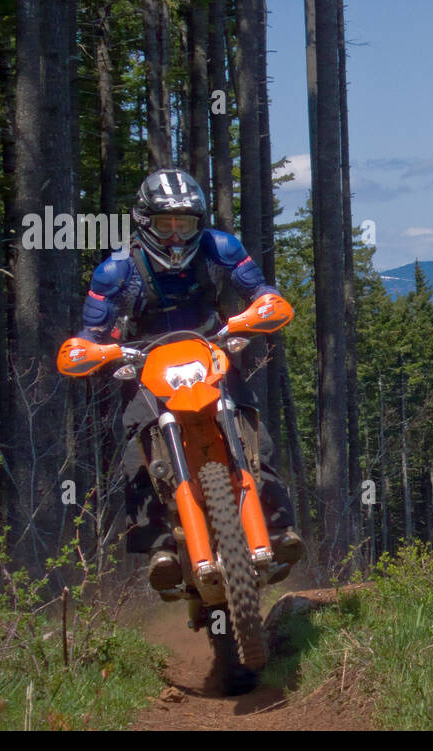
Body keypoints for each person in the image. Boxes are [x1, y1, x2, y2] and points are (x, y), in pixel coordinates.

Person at [75, 168, 302, 590]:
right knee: (137, 449)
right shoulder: (116, 270)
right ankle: (159, 545)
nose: (177, 236)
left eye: (185, 224)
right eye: (166, 224)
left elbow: (259, 290)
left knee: (255, 434)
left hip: (210, 347)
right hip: (146, 360)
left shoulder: (220, 247)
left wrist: (264, 306)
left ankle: (279, 525)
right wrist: (91, 348)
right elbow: (93, 328)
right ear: (145, 223)